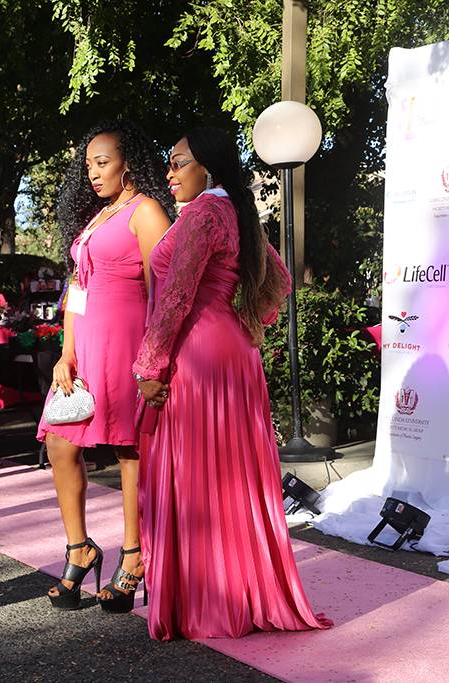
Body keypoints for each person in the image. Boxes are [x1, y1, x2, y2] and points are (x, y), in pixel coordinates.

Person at [133, 127, 331, 640]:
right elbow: (282, 280)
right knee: (231, 476)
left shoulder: (202, 213)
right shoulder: (235, 209)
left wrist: (148, 367)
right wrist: (248, 322)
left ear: (208, 167)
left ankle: (210, 603)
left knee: (200, 474)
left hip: (198, 354)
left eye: (178, 163)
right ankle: (238, 592)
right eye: (169, 163)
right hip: (233, 352)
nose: (169, 173)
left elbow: (175, 295)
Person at [35, 120, 174, 611]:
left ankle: (134, 555)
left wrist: (154, 360)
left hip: (128, 345)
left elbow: (167, 293)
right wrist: (66, 353)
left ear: (128, 162)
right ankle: (80, 546)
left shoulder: (146, 211)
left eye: (102, 162)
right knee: (59, 438)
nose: (92, 172)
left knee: (126, 448)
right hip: (86, 348)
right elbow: (78, 290)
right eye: (88, 164)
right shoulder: (97, 217)